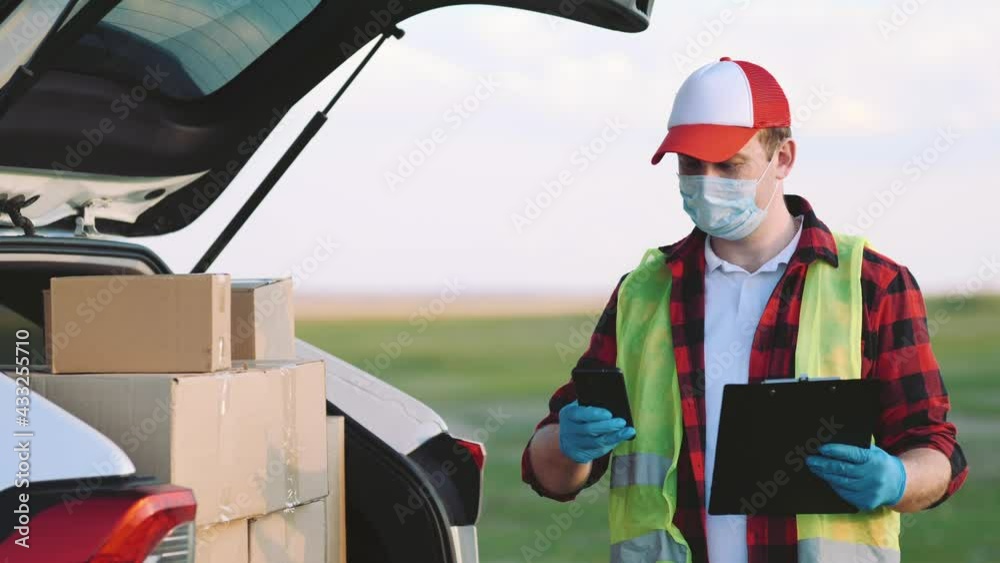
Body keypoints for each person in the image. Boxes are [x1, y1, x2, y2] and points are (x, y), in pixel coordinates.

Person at [521, 57, 968, 563]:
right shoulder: (642, 294)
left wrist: (898, 479)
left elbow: (936, 450)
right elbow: (550, 472)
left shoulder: (872, 284)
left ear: (783, 157)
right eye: (691, 165)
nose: (706, 181)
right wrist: (570, 445)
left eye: (729, 165)